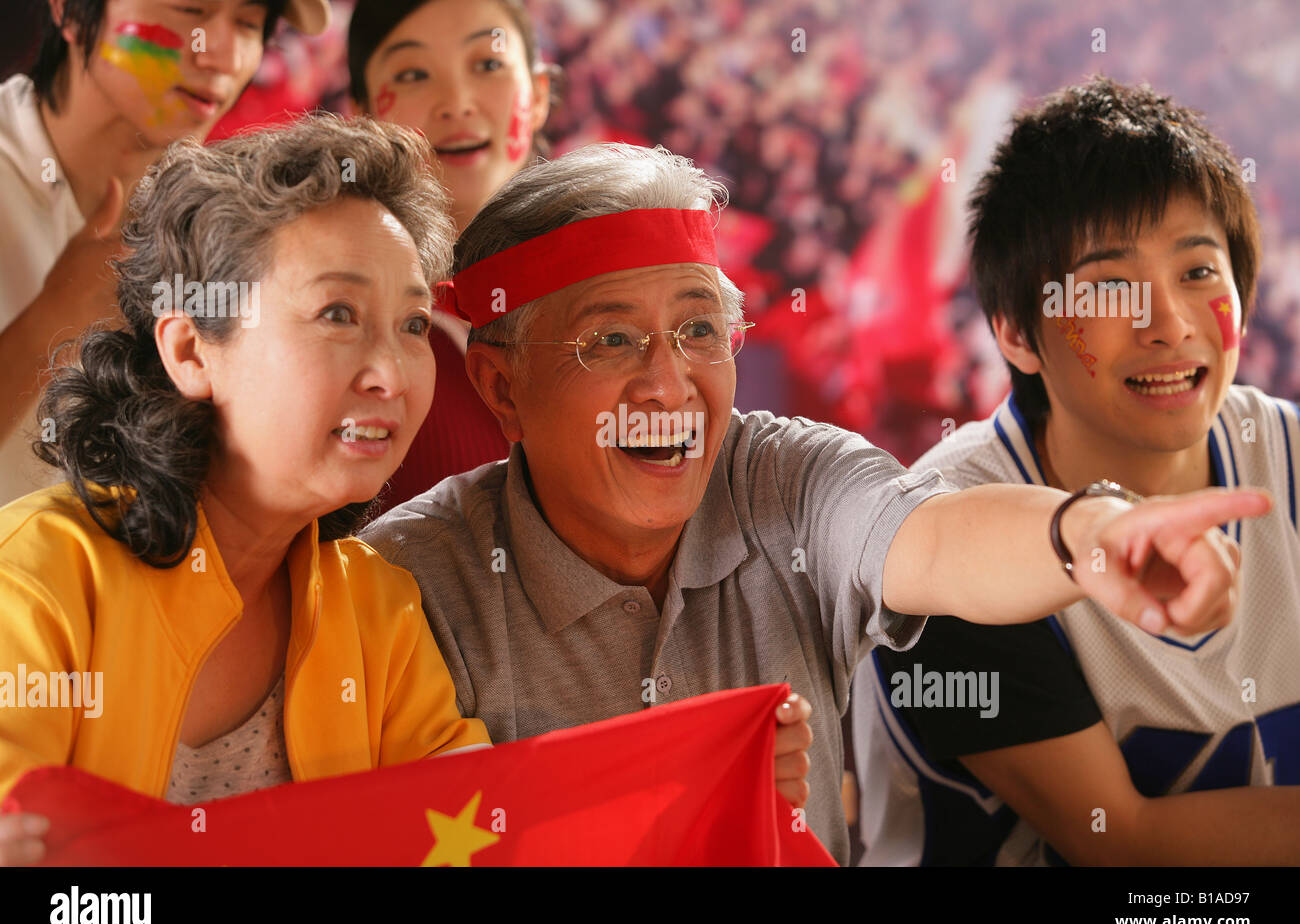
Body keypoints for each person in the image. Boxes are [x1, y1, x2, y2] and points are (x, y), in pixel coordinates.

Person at [359, 140, 1268, 865]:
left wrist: (1093, 536)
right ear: (501, 386)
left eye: (699, 330)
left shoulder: (783, 482)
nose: (670, 387)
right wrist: (675, 788)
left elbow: (932, 539)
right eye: (612, 341)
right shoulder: (411, 583)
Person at [0, 113, 488, 866]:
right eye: (338, 314)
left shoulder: (379, 610)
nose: (391, 373)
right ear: (192, 351)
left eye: (414, 324)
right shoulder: (34, 581)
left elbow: (469, 837)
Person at [854, 77, 1300, 866]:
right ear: (1018, 333)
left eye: (1198, 272)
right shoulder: (951, 535)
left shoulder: (1289, 456)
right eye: (1110, 286)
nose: (1169, 325)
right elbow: (1127, 848)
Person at [0, 0, 331, 504]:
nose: (221, 53)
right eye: (188, 8)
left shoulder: (231, 226)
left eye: (248, 23)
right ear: (69, 12)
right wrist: (56, 316)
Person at [348, 0, 558, 502]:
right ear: (362, 116)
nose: (457, 103)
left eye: (488, 65)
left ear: (540, 93)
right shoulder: (335, 317)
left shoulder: (616, 286)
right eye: (414, 73)